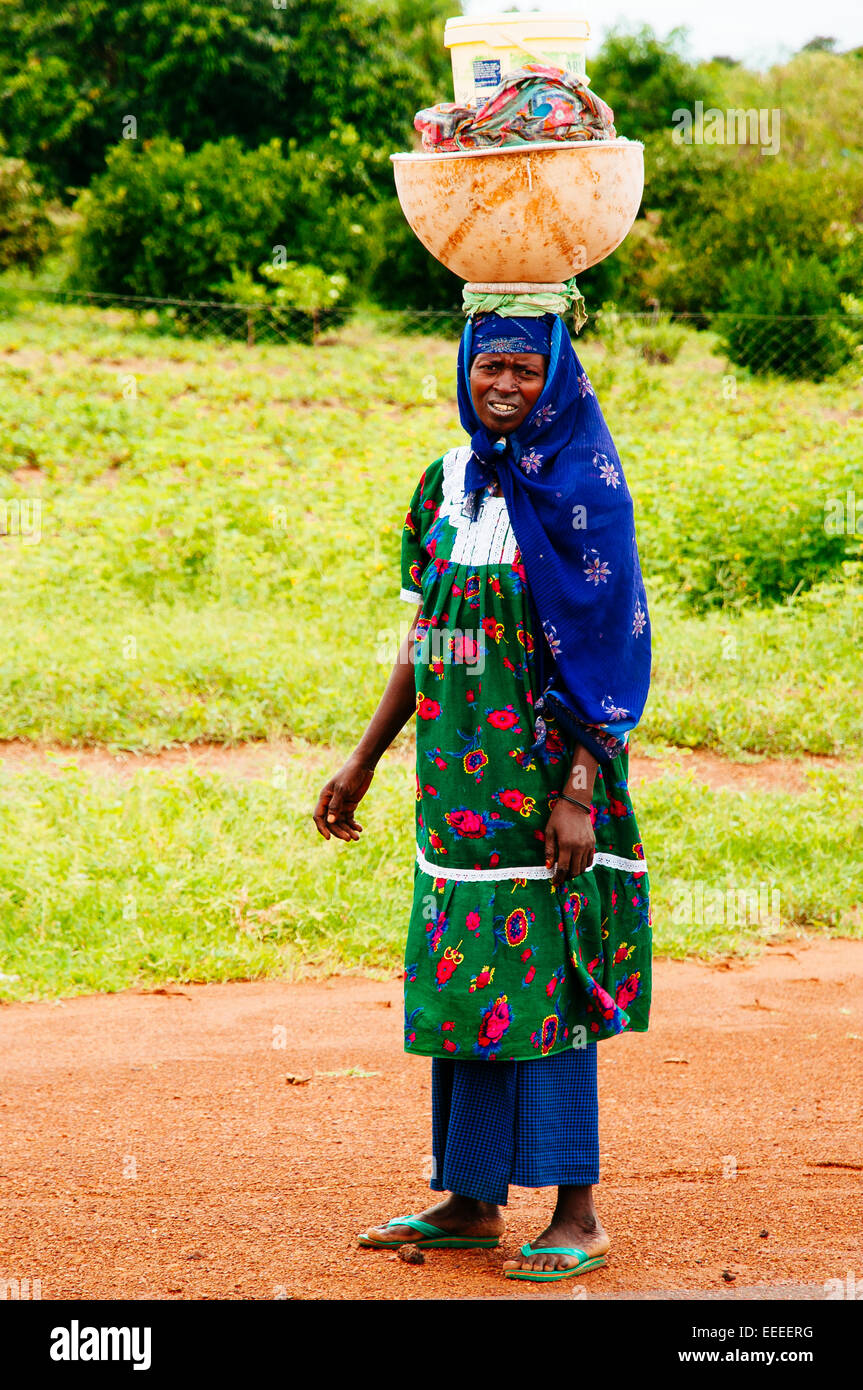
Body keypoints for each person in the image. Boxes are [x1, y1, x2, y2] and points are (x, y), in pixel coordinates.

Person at [313, 308, 652, 1282]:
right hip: (453, 787)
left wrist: (578, 786)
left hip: (544, 786)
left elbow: (607, 647)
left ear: (555, 377)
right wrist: (366, 757)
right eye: (486, 365)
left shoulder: (582, 490)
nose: (500, 384)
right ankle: (466, 1200)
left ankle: (576, 1212)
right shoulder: (448, 483)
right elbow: (430, 629)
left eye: (520, 367)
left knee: (547, 983)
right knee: (468, 980)